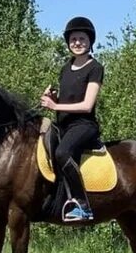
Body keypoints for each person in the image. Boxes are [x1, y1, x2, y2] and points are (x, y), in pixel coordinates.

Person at [39, 16, 104, 222]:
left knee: (63, 152)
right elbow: (68, 99)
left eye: (82, 39)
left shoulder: (95, 68)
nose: (77, 43)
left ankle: (83, 205)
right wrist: (54, 98)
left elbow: (86, 105)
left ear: (90, 41)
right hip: (63, 125)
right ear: (68, 42)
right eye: (74, 39)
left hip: (84, 125)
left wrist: (55, 106)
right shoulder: (65, 68)